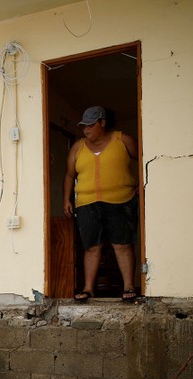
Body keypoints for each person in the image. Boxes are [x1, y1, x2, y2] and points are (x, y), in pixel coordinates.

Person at [63, 105, 139, 302]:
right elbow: (70, 175)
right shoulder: (78, 147)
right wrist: (66, 199)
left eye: (91, 125)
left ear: (102, 123)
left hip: (121, 201)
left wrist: (142, 185)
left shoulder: (123, 140)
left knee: (122, 245)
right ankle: (88, 289)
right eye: (84, 126)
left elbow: (143, 159)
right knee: (91, 246)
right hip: (87, 203)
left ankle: (129, 286)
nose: (86, 130)